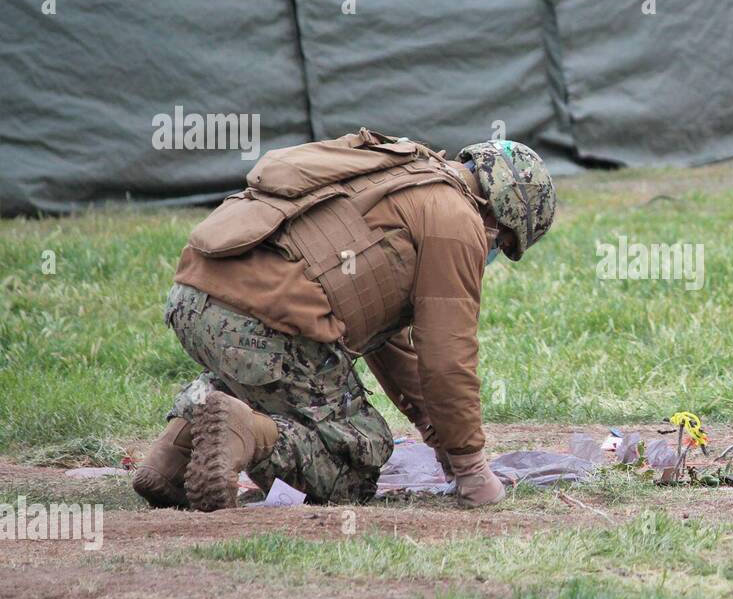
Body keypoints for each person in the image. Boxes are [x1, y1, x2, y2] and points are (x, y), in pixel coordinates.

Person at [132, 131, 555, 511]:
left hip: (195, 297)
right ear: (501, 214)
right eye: (503, 243)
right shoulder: (457, 221)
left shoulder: (404, 174)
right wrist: (471, 467)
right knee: (358, 454)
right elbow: (447, 357)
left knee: (277, 384)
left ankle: (171, 459)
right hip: (262, 325)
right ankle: (245, 431)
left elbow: (388, 338)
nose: (494, 252)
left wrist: (438, 432)